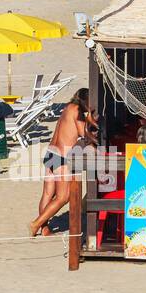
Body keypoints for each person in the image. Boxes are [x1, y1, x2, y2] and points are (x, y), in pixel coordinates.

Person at [30, 89, 91, 237]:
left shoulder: (67, 107)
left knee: (47, 194)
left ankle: (44, 229)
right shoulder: (76, 111)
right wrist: (90, 116)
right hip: (62, 158)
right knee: (63, 197)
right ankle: (36, 224)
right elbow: (84, 133)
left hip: (51, 153)